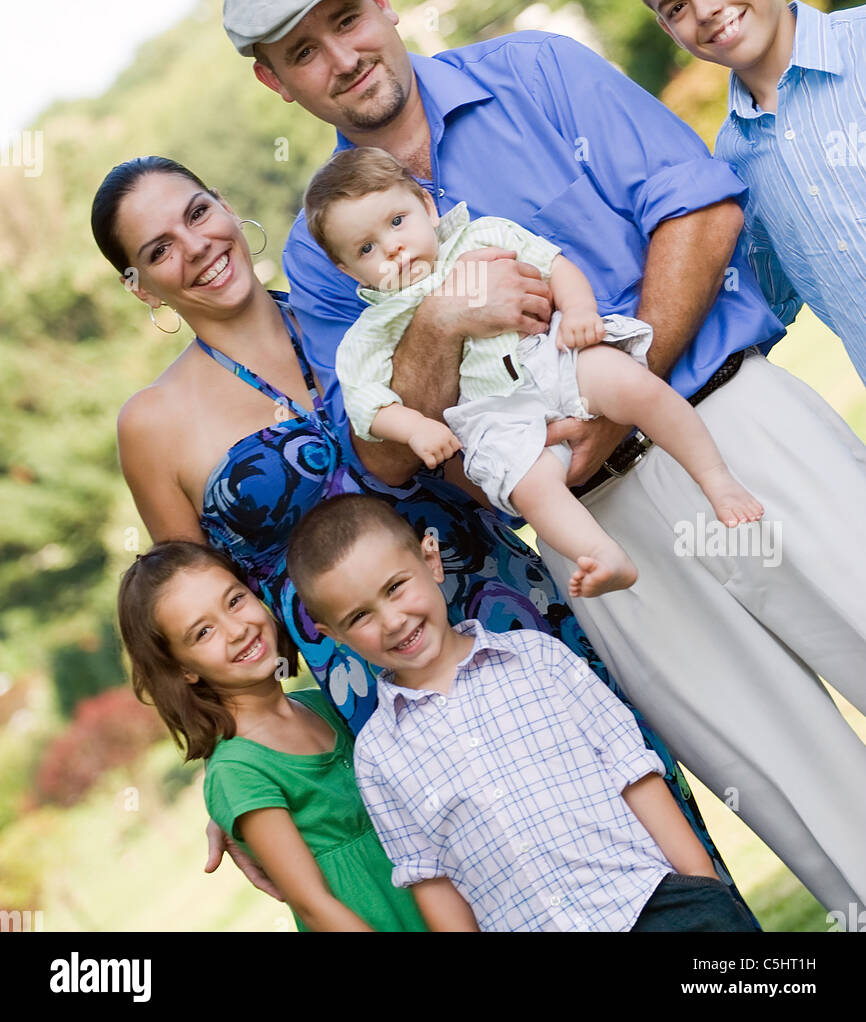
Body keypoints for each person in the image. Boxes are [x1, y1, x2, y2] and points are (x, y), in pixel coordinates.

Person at [222, 0, 866, 914]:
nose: (342, 58)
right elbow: (386, 454)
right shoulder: (322, 249)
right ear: (275, 83)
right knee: (799, 790)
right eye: (304, 52)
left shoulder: (535, 72)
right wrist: (441, 320)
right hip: (590, 530)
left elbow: (699, 213)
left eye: (346, 21)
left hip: (726, 423)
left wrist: (611, 390)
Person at [90, 155, 736, 901]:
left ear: (226, 205)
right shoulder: (153, 423)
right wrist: (240, 780)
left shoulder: (371, 300)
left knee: (637, 811)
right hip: (374, 678)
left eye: (198, 213)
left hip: (505, 607)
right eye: (159, 249)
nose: (195, 245)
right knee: (509, 881)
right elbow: (191, 616)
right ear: (141, 287)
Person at [287, 494, 760, 933]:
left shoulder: (538, 658)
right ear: (335, 635)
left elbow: (633, 775)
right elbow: (432, 880)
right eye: (360, 617)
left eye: (395, 588)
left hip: (648, 906)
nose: (392, 621)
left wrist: (704, 891)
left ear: (430, 560)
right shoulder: (378, 755)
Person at [305, 146, 763, 598]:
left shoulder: (483, 236)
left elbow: (553, 265)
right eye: (367, 248)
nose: (392, 248)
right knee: (532, 487)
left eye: (397, 221)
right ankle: (601, 554)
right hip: (493, 414)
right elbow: (368, 405)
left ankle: (716, 479)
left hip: (551, 354)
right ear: (349, 270)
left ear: (427, 205)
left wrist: (579, 309)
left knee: (631, 383)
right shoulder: (371, 332)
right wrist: (415, 427)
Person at [116, 537, 427, 932]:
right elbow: (314, 906)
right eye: (203, 632)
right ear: (183, 670)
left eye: (234, 601)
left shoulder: (322, 704)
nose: (236, 629)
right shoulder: (237, 770)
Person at [622, 0, 866, 387]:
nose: (706, 9)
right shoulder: (733, 163)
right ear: (668, 30)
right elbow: (758, 303)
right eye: (677, 7)